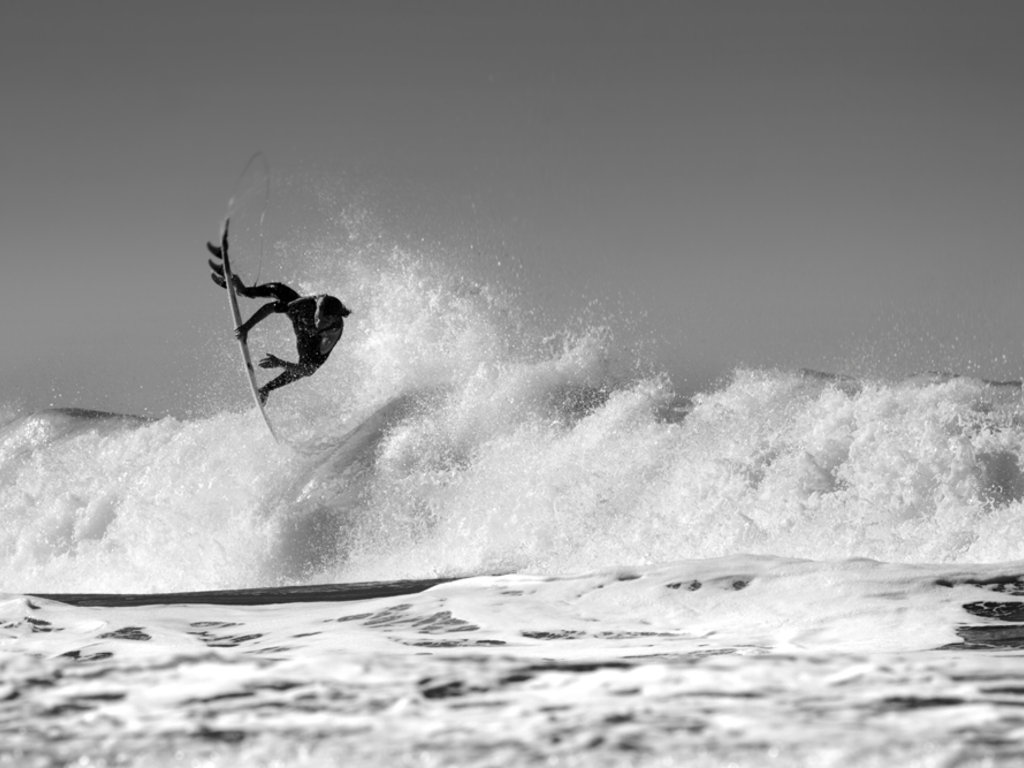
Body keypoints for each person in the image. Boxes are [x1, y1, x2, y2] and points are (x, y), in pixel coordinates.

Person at [207, 227, 351, 404]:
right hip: (302, 315)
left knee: (302, 366)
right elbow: (271, 307)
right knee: (278, 290)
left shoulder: (329, 337)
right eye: (317, 317)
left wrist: (279, 362)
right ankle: (236, 284)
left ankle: (266, 389)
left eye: (320, 321)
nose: (317, 321)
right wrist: (246, 328)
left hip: (310, 341)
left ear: (330, 319)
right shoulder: (311, 305)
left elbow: (307, 371)